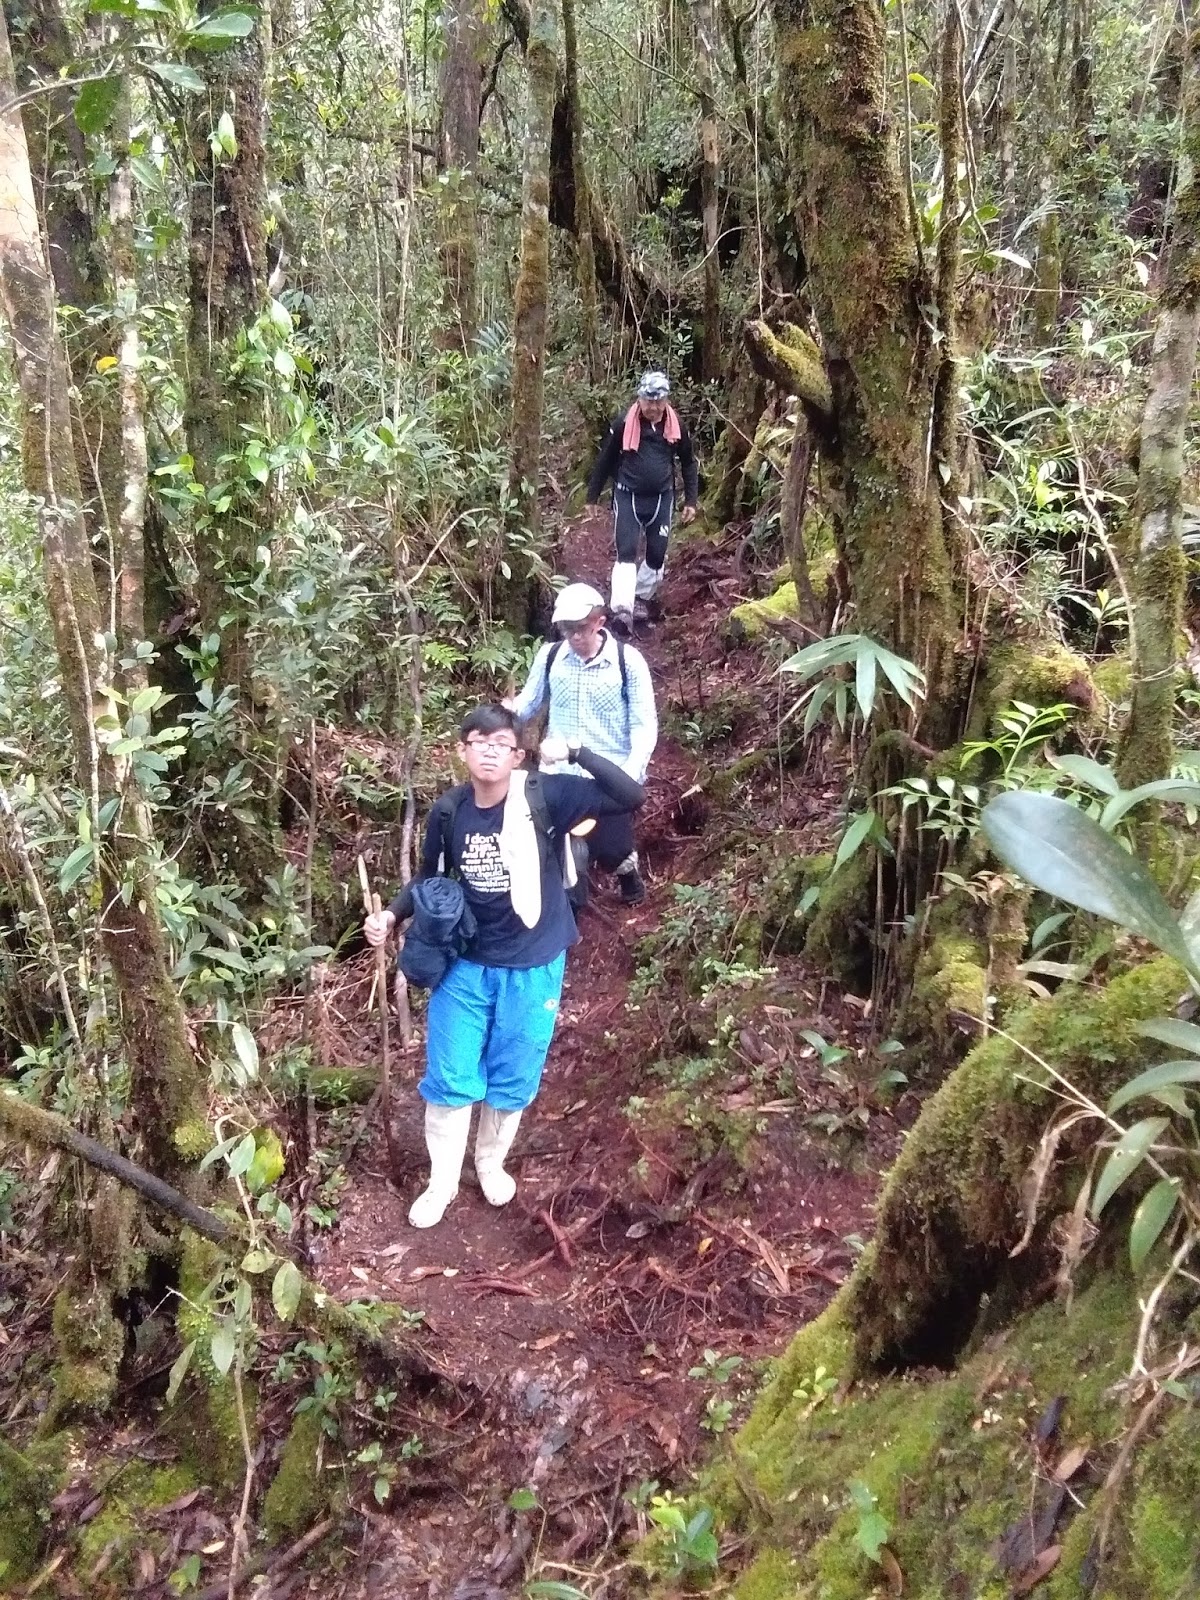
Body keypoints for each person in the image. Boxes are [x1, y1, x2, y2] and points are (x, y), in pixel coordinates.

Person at [363, 705, 645, 1230]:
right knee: (451, 1071)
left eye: (502, 742)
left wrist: (578, 753)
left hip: (534, 962)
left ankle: (489, 1163)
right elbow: (428, 879)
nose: (490, 749)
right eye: (478, 739)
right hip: (465, 963)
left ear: (518, 755)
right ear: (462, 750)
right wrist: (390, 914)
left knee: (514, 1072)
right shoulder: (448, 812)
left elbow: (631, 797)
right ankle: (442, 1181)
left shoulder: (546, 795)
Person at [509, 581, 656, 906]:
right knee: (555, 846)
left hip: (606, 775)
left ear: (599, 622)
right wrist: (500, 719)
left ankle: (628, 876)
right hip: (557, 772)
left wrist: (629, 775)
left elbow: (644, 725)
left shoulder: (626, 662)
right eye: (567, 629)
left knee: (613, 849)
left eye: (581, 629)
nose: (574, 636)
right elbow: (529, 703)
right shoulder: (550, 657)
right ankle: (564, 912)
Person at [584, 370, 699, 636]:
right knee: (626, 552)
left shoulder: (675, 425)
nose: (654, 407)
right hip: (628, 495)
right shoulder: (625, 422)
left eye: (659, 401)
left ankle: (641, 599)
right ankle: (623, 611)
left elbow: (688, 462)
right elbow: (606, 459)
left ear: (666, 400)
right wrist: (592, 496)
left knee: (657, 556)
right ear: (640, 399)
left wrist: (691, 500)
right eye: (649, 401)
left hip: (661, 497)